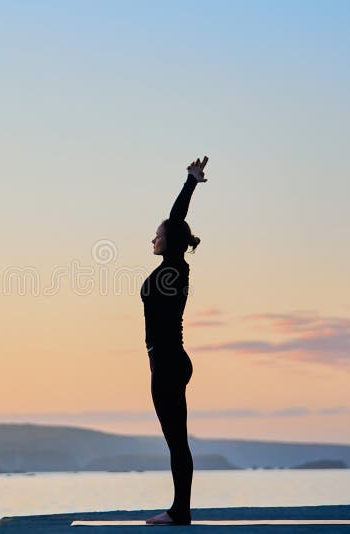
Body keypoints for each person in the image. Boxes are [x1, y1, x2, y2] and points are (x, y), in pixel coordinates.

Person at [141, 156, 208, 525]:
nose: (152, 238)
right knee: (176, 440)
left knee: (176, 442)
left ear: (169, 241)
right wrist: (190, 181)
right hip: (168, 361)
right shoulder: (172, 267)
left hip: (167, 362)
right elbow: (175, 223)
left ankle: (179, 511)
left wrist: (190, 184)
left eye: (157, 234)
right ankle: (179, 509)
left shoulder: (174, 268)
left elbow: (176, 219)